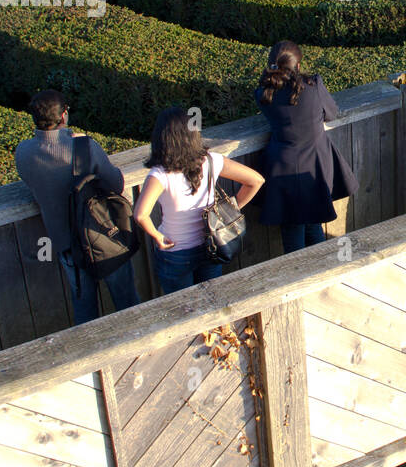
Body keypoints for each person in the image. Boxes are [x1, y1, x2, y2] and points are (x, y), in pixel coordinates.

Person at [14, 90, 140, 325]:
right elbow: (116, 183)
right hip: (104, 238)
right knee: (127, 303)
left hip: (67, 244)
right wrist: (81, 142)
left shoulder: (22, 152)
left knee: (84, 309)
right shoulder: (84, 147)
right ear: (63, 116)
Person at [134, 107, 263, 295]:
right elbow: (256, 180)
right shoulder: (212, 161)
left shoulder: (160, 174)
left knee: (181, 310)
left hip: (175, 252)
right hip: (211, 244)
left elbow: (140, 214)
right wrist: (232, 208)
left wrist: (158, 237)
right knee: (212, 302)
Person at [254, 40, 357, 254]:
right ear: (298, 65)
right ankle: (321, 276)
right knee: (314, 225)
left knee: (293, 235)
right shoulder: (313, 85)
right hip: (316, 165)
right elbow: (332, 113)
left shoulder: (263, 93)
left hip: (282, 166)